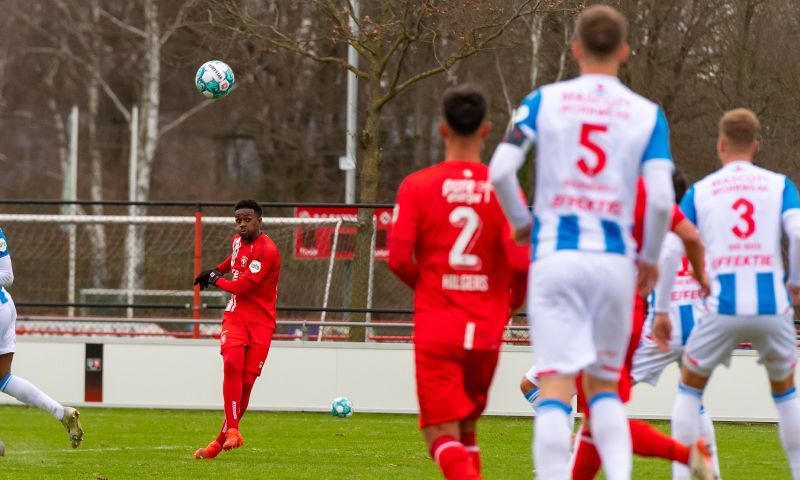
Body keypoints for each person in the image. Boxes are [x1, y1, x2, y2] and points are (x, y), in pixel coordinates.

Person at [489, 5, 675, 479]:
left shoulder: (543, 101)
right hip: (614, 263)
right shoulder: (647, 114)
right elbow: (660, 200)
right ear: (625, 51)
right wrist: (650, 257)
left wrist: (522, 223)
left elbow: (502, 171)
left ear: (575, 49)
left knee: (554, 383)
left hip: (556, 257)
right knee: (604, 390)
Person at [388, 83, 529, 480]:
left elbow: (398, 259)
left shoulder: (417, 186)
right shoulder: (504, 189)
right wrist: (508, 305)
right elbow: (522, 265)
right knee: (466, 429)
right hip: (485, 330)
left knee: (438, 433)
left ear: (441, 129)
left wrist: (431, 288)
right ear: (486, 130)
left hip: (439, 327)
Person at [670, 108, 800, 479]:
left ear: (721, 144)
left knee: (689, 390)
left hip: (721, 305)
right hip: (772, 306)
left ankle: (682, 475)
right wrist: (795, 281)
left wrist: (667, 303)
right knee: (786, 395)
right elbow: (798, 231)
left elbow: (672, 246)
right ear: (756, 145)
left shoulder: (701, 190)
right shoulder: (779, 185)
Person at [631, 170, 721, 478]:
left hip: (664, 327)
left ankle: (574, 450)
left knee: (605, 393)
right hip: (699, 326)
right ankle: (712, 470)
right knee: (693, 398)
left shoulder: (655, 231)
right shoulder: (701, 231)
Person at [192, 200, 281, 459]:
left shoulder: (267, 251)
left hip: (262, 322)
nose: (242, 225)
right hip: (236, 316)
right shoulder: (236, 241)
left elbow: (244, 288)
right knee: (231, 363)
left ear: (259, 221)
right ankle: (233, 430)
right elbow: (234, 260)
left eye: (247, 220)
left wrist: (215, 279)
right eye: (238, 220)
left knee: (247, 382)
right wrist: (216, 270)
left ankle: (218, 443)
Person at [0, 227, 83, 448]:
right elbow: (7, 276)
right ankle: (61, 412)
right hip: (5, 306)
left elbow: (8, 277)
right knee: (3, 377)